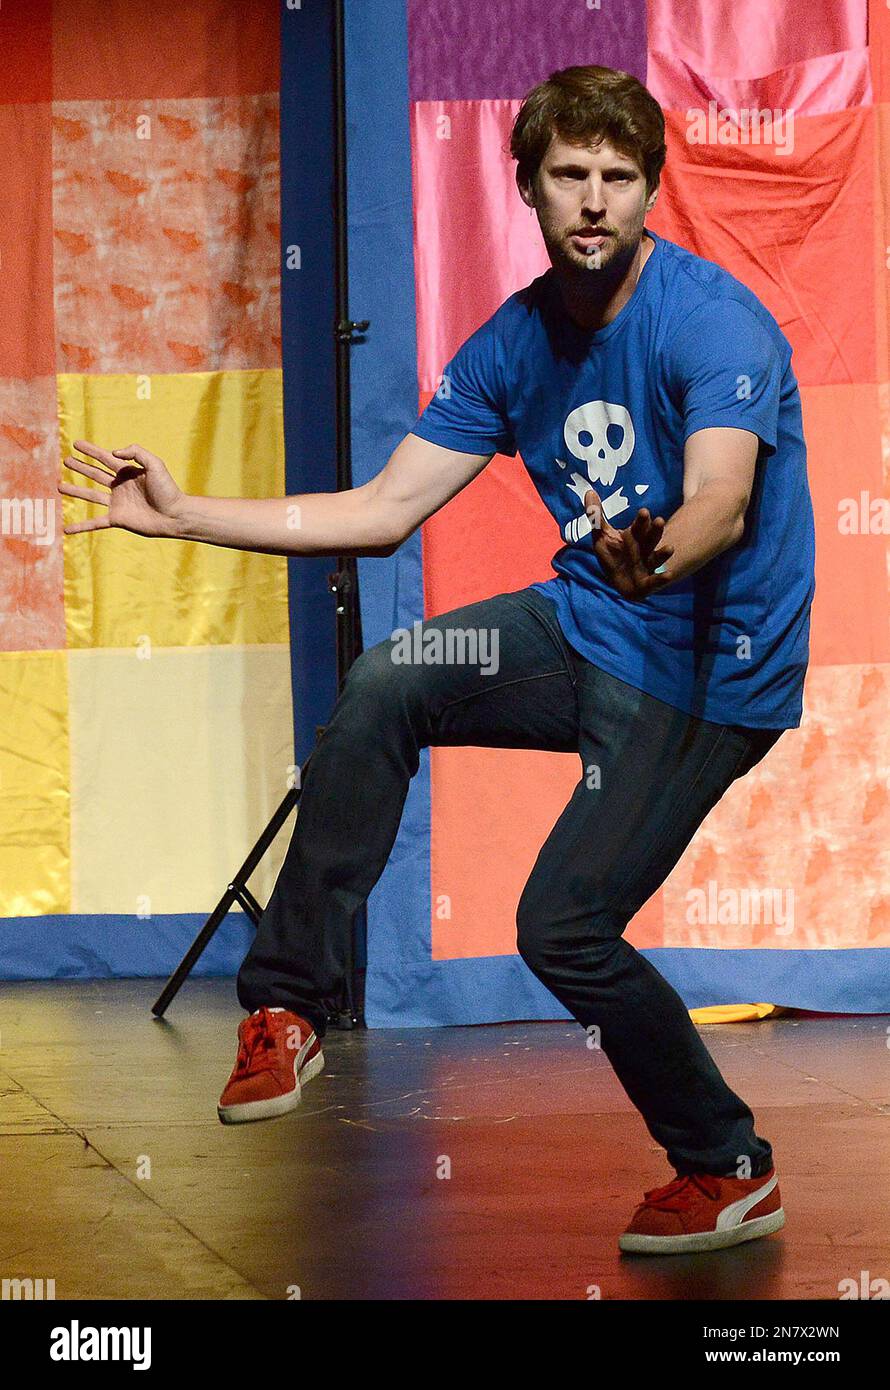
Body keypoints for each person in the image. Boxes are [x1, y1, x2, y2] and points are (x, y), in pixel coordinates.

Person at [59, 64, 813, 1255]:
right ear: (527, 185)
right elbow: (378, 509)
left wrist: (655, 555)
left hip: (709, 667)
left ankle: (727, 1164)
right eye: (570, 174)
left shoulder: (712, 320)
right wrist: (186, 510)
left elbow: (719, 496)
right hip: (584, 626)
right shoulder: (512, 343)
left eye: (619, 179)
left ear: (649, 193)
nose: (594, 201)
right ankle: (291, 1006)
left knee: (560, 928)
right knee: (392, 673)